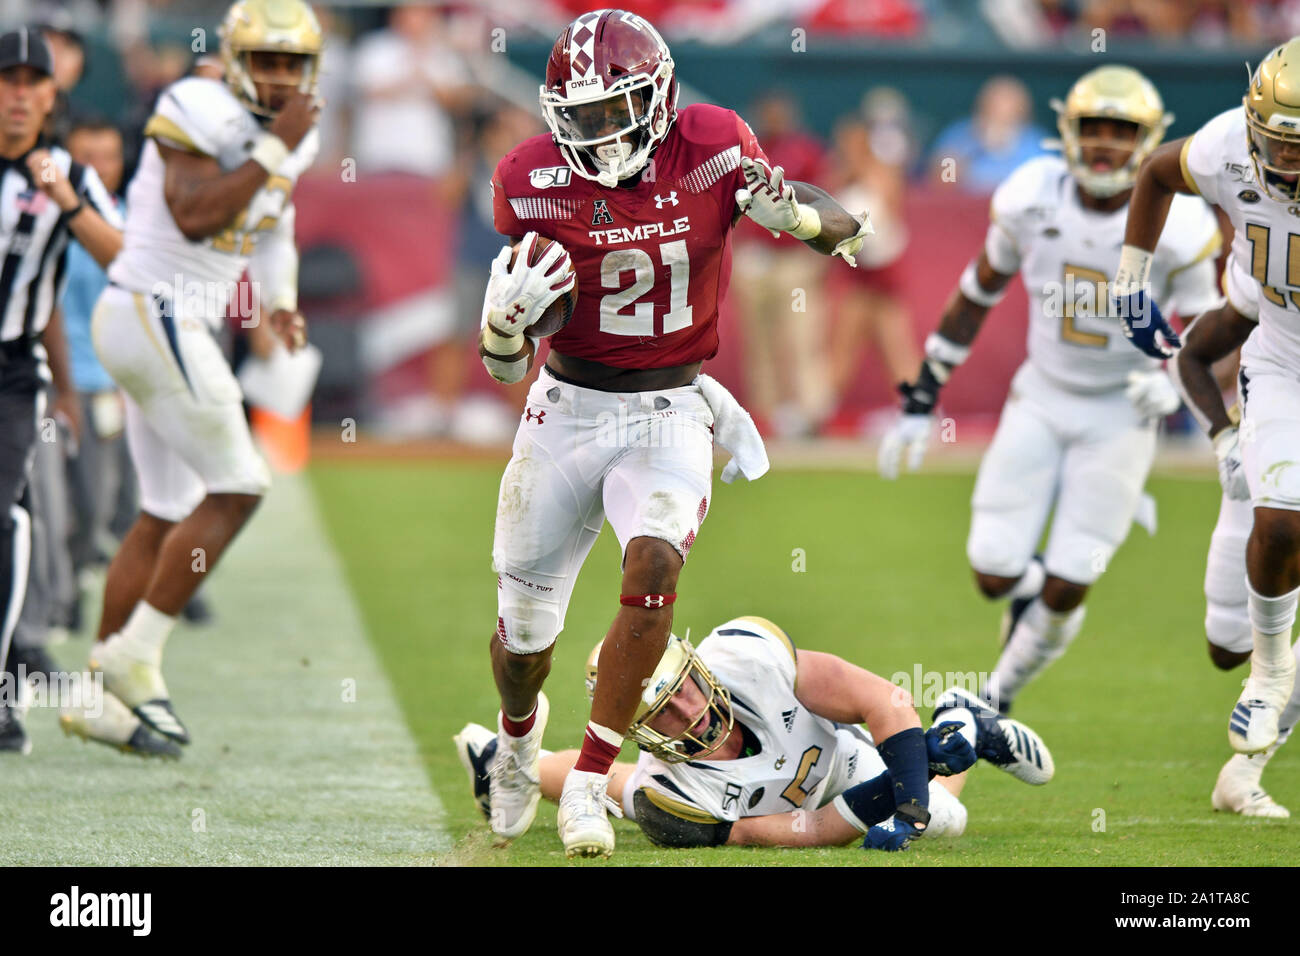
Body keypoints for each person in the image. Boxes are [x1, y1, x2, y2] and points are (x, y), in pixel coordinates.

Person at [479, 8, 873, 858]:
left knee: (654, 561)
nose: (600, 133)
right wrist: (502, 338)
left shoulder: (714, 145)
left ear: (656, 99)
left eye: (616, 111)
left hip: (668, 408)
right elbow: (508, 371)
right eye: (581, 118)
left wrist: (799, 215)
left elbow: (842, 225)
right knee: (523, 640)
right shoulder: (528, 177)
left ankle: (586, 780)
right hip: (565, 409)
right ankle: (516, 744)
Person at [879, 66, 1222, 714]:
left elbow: (1213, 332)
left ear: (1150, 140)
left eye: (1121, 132)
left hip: (1122, 411)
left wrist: (1175, 385)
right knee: (992, 570)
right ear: (1066, 132)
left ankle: (995, 699)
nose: (1104, 145)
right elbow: (976, 294)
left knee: (1070, 581)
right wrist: (923, 396)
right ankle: (1064, 571)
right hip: (1040, 396)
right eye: (1093, 128)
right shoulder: (1030, 196)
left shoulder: (1181, 223)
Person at [56, 0, 321, 755]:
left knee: (164, 511)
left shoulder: (292, 131)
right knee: (241, 483)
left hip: (176, 319)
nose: (278, 78)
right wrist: (276, 147)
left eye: (291, 64)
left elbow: (275, 224)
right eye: (265, 61)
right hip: (153, 308)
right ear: (236, 58)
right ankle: (135, 655)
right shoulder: (195, 102)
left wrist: (279, 301)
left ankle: (95, 693)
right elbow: (197, 210)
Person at [456, 615, 1054, 850]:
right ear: (633, 729)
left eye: (682, 689)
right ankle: (505, 763)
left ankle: (957, 718)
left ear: (696, 666)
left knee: (942, 816)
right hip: (781, 795)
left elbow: (885, 699)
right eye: (659, 713)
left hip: (836, 757)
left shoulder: (748, 659)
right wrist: (884, 801)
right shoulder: (670, 797)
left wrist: (911, 802)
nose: (685, 712)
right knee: (616, 787)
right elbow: (812, 828)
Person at [1112, 37, 1300, 757]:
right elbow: (1157, 173)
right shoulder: (1228, 145)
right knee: (1279, 526)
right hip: (1281, 354)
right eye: (1273, 144)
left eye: (1297, 148)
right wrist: (1131, 277)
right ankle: (1270, 670)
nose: (1280, 163)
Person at [0, 27, 124, 754]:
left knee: (7, 517)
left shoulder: (68, 175)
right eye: (6, 80)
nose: (17, 95)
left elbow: (122, 259)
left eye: (31, 82)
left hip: (12, 371)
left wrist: (66, 200)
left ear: (51, 95)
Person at [1172, 261, 1294, 817]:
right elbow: (1192, 353)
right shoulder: (1274, 251)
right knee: (1226, 647)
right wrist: (1224, 439)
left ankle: (1244, 773)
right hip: (1266, 456)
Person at [927, 76, 1049, 195]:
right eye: (996, 101)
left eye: (1009, 102)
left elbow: (1049, 183)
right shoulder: (960, 136)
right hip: (966, 209)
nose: (1003, 109)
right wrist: (963, 160)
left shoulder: (1038, 141)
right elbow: (941, 182)